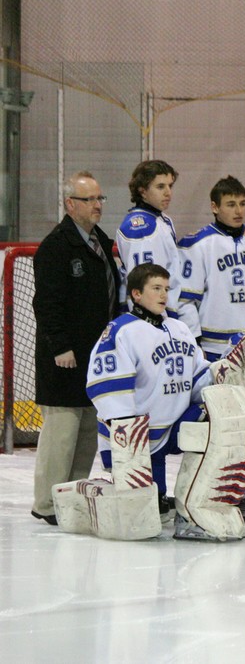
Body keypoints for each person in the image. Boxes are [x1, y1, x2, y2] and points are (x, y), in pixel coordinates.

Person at [30, 171, 121, 526]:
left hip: (93, 356)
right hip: (64, 358)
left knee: (86, 432)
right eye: (91, 200)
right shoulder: (56, 246)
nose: (98, 205)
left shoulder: (97, 240)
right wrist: (61, 346)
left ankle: (69, 495)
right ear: (71, 204)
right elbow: (47, 303)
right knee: (62, 434)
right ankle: (47, 503)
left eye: (100, 199)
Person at [86, 263, 213, 516]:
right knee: (148, 511)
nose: (164, 295)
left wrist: (224, 375)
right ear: (136, 294)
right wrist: (127, 431)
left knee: (220, 418)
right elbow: (105, 384)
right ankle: (149, 493)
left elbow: (199, 375)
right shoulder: (121, 331)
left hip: (175, 423)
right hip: (140, 433)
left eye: (166, 288)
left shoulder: (179, 328)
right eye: (156, 288)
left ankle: (201, 498)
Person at [177, 176, 245, 360]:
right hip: (213, 345)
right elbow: (186, 301)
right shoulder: (198, 244)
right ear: (214, 207)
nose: (238, 211)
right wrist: (194, 342)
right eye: (230, 204)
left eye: (242, 204)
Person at [116, 160, 191, 326]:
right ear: (142, 191)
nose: (168, 193)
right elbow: (143, 283)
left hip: (163, 312)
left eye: (170, 186)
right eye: (160, 187)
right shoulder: (140, 226)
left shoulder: (162, 220)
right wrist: (156, 323)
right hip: (149, 319)